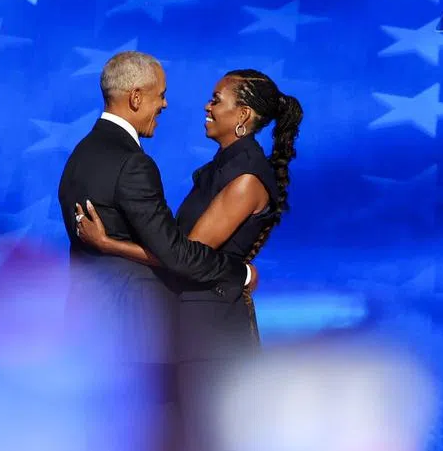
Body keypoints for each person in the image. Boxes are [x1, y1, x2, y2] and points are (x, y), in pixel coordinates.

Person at [75, 68, 301, 368]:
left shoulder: (245, 178)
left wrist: (107, 243)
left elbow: (182, 257)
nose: (208, 107)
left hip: (212, 334)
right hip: (190, 325)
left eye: (216, 100)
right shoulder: (222, 170)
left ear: (243, 115)